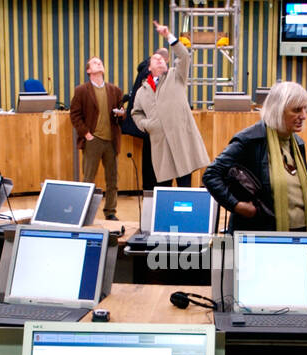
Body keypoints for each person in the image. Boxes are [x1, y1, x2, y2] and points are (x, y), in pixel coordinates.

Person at [202, 80, 307, 232]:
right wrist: (237, 205)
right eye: (296, 110)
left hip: (300, 235)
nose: (304, 116)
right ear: (278, 110)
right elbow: (211, 175)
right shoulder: (250, 140)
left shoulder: (297, 143)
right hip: (262, 237)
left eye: (304, 109)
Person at [131, 21, 209, 188]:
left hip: (181, 142)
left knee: (184, 188)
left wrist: (169, 36)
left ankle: (185, 216)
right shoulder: (142, 91)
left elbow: (184, 56)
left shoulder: (176, 76)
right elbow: (135, 113)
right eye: (156, 59)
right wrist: (147, 125)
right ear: (149, 67)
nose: (160, 60)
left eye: (162, 59)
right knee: (164, 191)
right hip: (161, 145)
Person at [70, 56, 124, 220]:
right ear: (88, 71)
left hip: (111, 140)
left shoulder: (114, 90)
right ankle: (84, 212)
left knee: (112, 179)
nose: (99, 63)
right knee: (88, 178)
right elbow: (75, 115)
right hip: (93, 140)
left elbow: (121, 114)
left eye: (100, 62)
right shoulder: (81, 90)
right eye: (94, 62)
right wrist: (86, 134)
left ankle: (110, 211)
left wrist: (121, 114)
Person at [121, 56, 155, 190]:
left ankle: (149, 194)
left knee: (148, 165)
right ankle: (151, 193)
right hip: (151, 126)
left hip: (146, 125)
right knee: (152, 167)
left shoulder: (144, 72)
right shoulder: (149, 74)